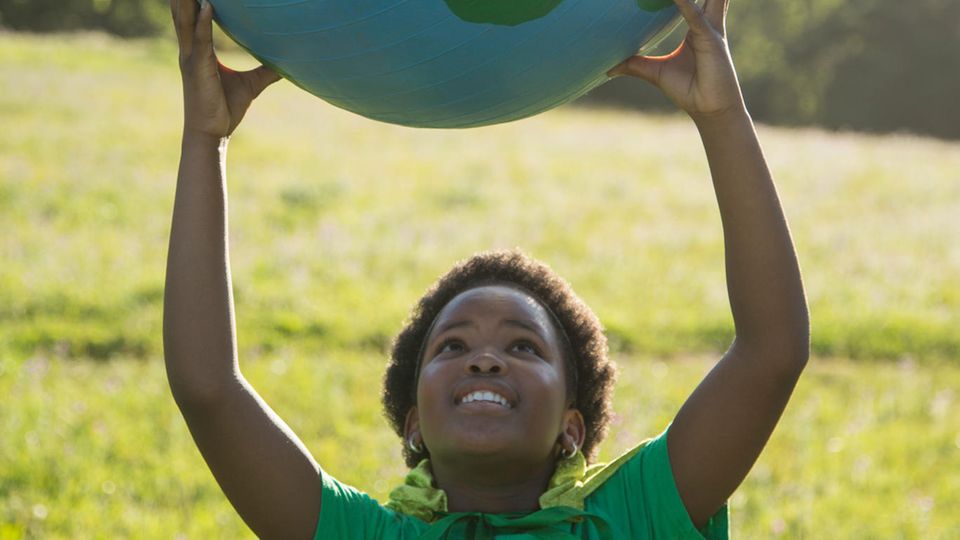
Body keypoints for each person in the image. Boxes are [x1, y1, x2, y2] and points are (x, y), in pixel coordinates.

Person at [164, 0, 810, 538]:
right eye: (453, 345)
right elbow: (208, 389)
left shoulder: (633, 517)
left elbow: (771, 353)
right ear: (413, 421)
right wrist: (205, 140)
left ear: (572, 427)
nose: (484, 359)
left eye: (523, 345)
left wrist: (720, 116)